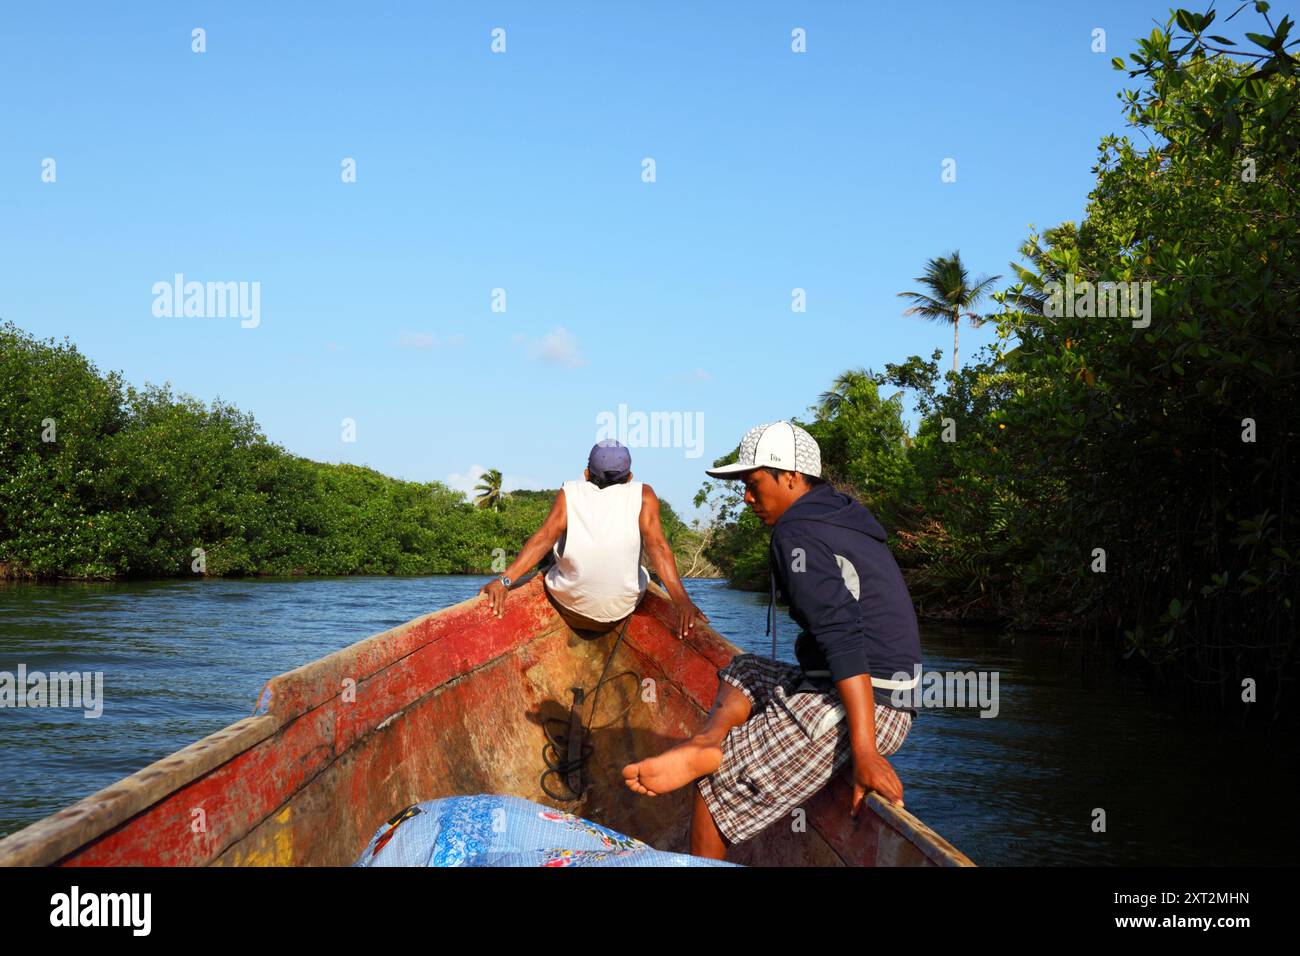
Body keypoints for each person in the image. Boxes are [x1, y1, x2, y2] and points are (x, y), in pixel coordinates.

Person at [621, 421, 923, 860]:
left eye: (754, 483)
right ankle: (708, 743)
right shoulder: (836, 514)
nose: (746, 497)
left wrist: (866, 752)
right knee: (744, 671)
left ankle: (714, 767)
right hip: (855, 684)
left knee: (714, 792)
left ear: (792, 478)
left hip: (873, 704)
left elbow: (843, 639)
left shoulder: (796, 532)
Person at [479, 440, 708, 639]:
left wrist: (504, 581)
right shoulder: (643, 493)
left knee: (550, 555)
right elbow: (657, 547)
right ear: (629, 477)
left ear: (587, 474)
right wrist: (682, 602)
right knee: (646, 575)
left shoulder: (570, 491)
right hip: (622, 608)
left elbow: (544, 537)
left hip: (569, 606)